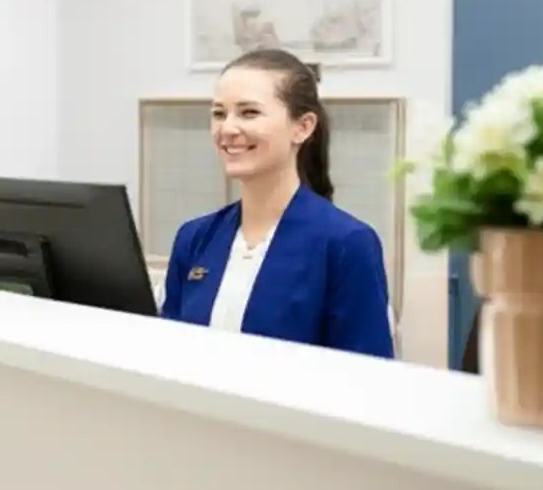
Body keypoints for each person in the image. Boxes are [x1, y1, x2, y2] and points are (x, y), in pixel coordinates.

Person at [159, 48, 394, 358]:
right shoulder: (194, 238)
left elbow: (369, 377)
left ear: (303, 127)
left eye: (249, 112)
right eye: (219, 113)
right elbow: (168, 354)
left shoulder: (347, 244)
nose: (227, 129)